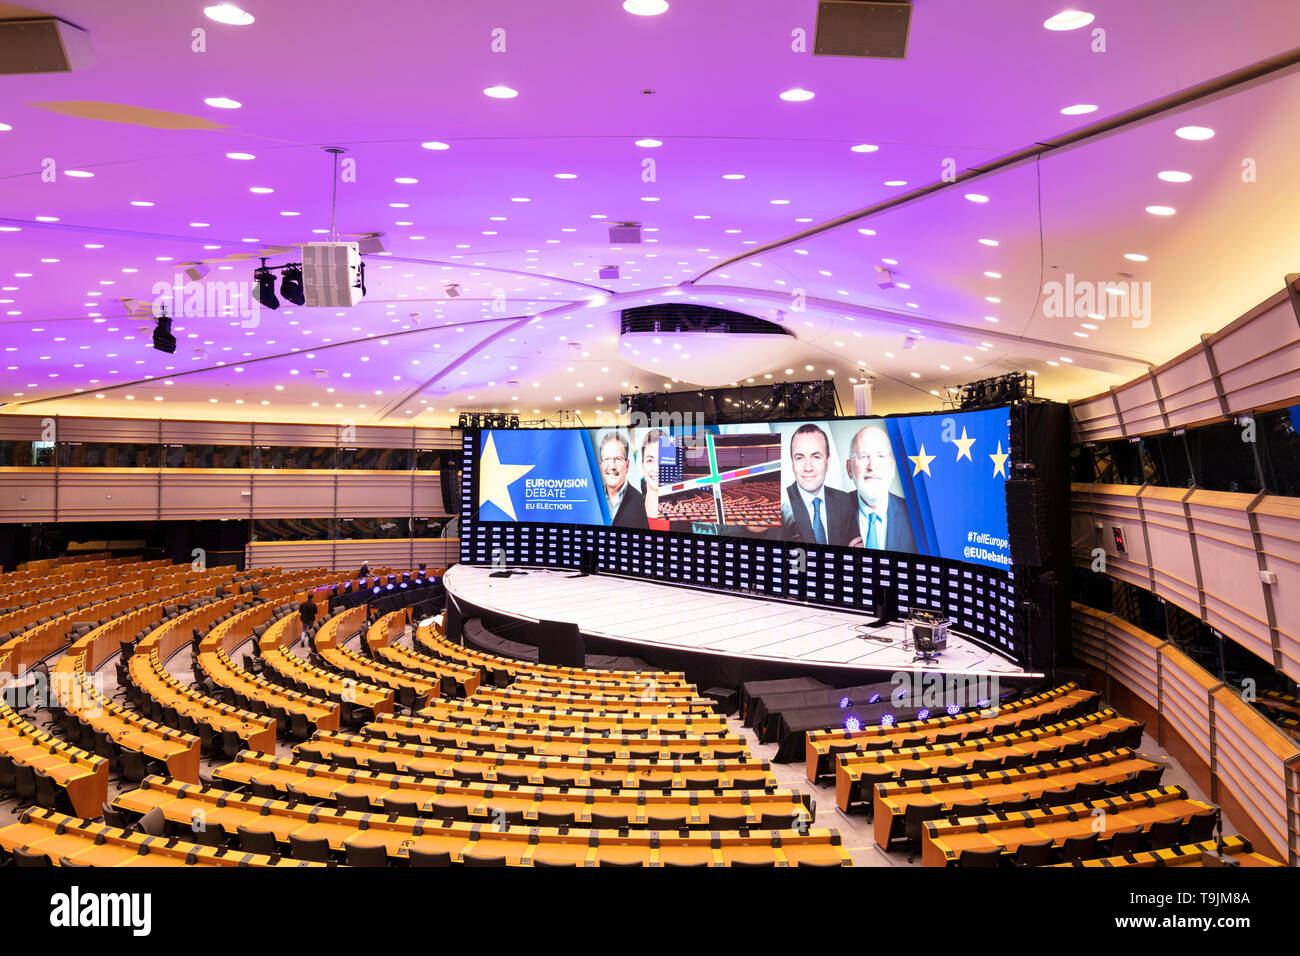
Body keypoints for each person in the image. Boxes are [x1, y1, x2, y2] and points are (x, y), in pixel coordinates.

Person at [781, 423, 857, 546]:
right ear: (792, 462)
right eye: (799, 458)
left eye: (816, 457)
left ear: (828, 461)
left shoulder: (845, 501)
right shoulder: (780, 507)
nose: (808, 467)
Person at [845, 423, 917, 554]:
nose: (872, 466)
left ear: (892, 466)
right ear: (849, 469)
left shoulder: (916, 516)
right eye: (863, 456)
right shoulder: (831, 514)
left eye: (880, 456)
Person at [598, 431, 649, 529]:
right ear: (601, 465)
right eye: (607, 459)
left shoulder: (641, 503)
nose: (612, 466)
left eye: (618, 459)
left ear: (627, 465)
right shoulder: (592, 499)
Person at [637, 428, 671, 530]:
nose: (656, 468)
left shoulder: (687, 516)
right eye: (650, 460)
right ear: (642, 466)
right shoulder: (630, 511)